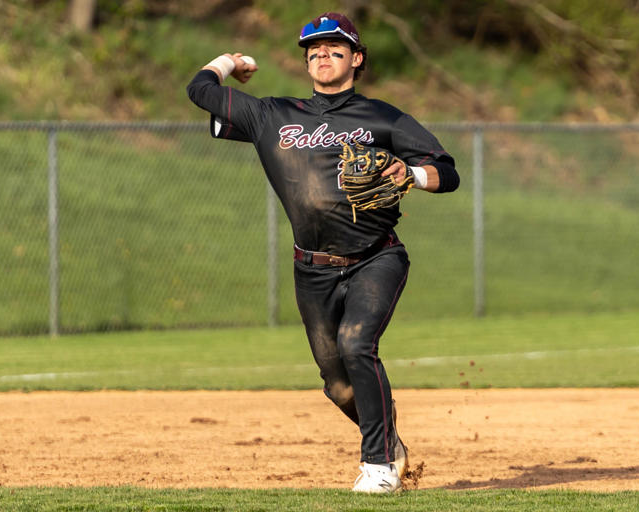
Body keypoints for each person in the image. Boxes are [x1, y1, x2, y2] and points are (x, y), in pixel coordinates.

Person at [187, 11, 459, 493]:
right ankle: (390, 443)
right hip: (311, 269)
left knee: (358, 344)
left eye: (335, 49)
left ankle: (377, 467)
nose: (322, 56)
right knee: (337, 384)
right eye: (313, 50)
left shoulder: (383, 117)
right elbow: (201, 91)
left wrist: (410, 174)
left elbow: (447, 172)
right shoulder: (275, 115)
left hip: (376, 257)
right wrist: (229, 61)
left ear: (356, 59)